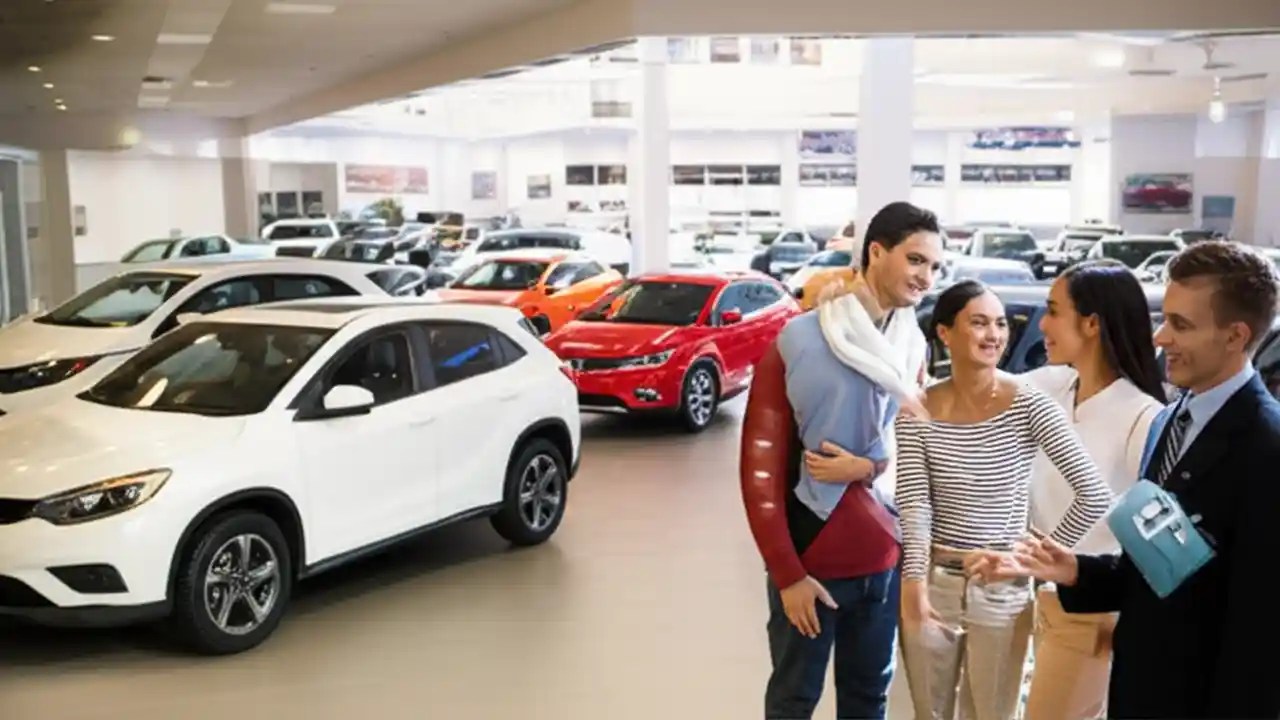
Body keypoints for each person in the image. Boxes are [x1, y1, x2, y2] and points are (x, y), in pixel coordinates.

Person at [970, 241, 1280, 718]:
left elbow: (1258, 633)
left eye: (1181, 324)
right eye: (1165, 319)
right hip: (1140, 687)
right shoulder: (1169, 421)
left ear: (1236, 336)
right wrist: (1076, 570)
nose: (1160, 337)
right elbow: (1161, 566)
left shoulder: (1267, 446)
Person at [740, 201, 944, 719]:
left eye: (935, 266)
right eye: (915, 260)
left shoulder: (911, 344)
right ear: (876, 252)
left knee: (867, 700)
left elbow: (910, 450)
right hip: (812, 559)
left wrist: (868, 468)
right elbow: (759, 466)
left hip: (882, 558)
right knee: (793, 699)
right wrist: (787, 575)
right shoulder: (801, 339)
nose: (925, 276)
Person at [894, 280, 1111, 720]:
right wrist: (912, 585)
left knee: (991, 713)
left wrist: (1029, 559)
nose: (993, 335)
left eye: (999, 324)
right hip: (936, 580)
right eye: (978, 323)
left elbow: (1094, 493)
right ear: (945, 333)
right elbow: (916, 507)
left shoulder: (1029, 403)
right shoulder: (916, 409)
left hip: (1003, 590)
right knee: (927, 713)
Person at [1019, 261, 1167, 720]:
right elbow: (971, 389)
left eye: (1053, 311)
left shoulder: (1144, 416)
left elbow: (1161, 544)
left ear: (1091, 323)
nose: (1041, 324)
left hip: (1093, 619)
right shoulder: (1053, 388)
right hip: (1041, 601)